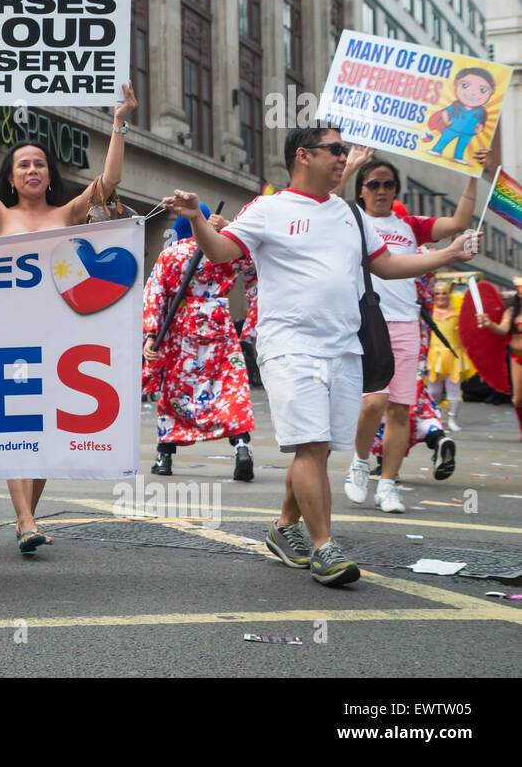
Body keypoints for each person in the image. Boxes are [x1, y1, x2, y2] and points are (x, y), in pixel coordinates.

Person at [164, 124, 477, 586]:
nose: (343, 158)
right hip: (289, 346)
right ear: (304, 157)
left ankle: (282, 528)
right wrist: (195, 219)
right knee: (309, 447)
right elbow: (220, 252)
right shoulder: (269, 209)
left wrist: (447, 253)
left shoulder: (352, 214)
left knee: (319, 449)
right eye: (335, 151)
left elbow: (388, 266)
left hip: (345, 348)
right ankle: (324, 548)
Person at [0, 80, 136, 554]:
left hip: (60, 339)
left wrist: (119, 122)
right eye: (22, 165)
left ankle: (26, 516)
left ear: (48, 174)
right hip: (7, 339)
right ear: (11, 178)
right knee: (17, 429)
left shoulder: (70, 214)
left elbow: (109, 183)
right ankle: (25, 520)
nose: (31, 169)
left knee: (45, 434)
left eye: (38, 164)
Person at [342, 155, 477, 514]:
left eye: (388, 184)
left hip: (405, 325)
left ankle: (388, 483)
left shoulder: (410, 225)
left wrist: (473, 176)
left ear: (397, 189)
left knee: (401, 409)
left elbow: (460, 222)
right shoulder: (349, 220)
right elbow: (328, 197)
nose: (382, 191)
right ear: (362, 190)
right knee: (373, 402)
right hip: (368, 322)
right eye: (373, 184)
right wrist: (353, 165)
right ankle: (358, 463)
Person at [143, 204, 257, 480]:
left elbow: (155, 295)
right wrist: (230, 227)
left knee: (174, 390)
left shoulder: (170, 255)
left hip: (180, 328)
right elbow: (256, 265)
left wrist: (150, 335)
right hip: (218, 322)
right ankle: (241, 446)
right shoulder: (225, 253)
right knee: (230, 385)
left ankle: (164, 456)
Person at [370, 273, 457, 480]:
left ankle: (384, 463)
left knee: (382, 397)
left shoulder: (380, 248)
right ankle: (436, 437)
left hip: (383, 328)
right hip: (415, 332)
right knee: (411, 396)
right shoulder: (423, 258)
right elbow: (426, 298)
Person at [476, 288, 522, 440]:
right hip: (518, 358)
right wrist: (489, 323)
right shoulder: (512, 310)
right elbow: (503, 329)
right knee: (518, 399)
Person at [426, 280, 468, 433]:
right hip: (434, 355)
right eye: (437, 293)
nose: (441, 296)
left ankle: (452, 419)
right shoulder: (429, 313)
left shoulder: (457, 314)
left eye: (444, 293)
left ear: (448, 294)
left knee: (454, 389)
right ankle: (434, 418)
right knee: (434, 391)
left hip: (453, 355)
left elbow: (466, 332)